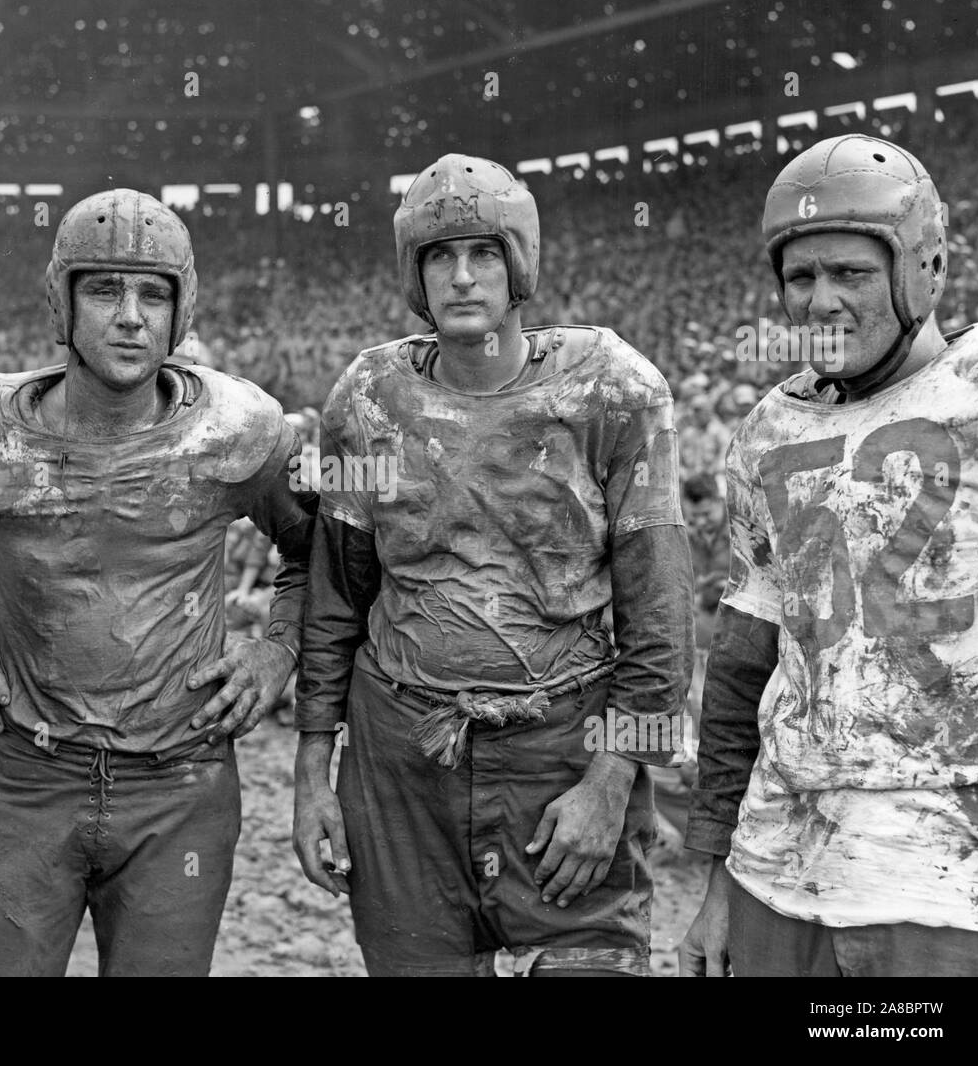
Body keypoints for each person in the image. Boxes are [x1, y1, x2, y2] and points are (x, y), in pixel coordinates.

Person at [292, 154, 694, 976]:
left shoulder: (610, 391)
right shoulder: (370, 399)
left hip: (565, 748)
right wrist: (311, 774)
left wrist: (613, 779)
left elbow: (661, 616)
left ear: (519, 264)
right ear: (415, 273)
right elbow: (336, 597)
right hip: (403, 754)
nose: (463, 277)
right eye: (440, 256)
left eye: (483, 253)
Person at [0, 188, 316, 977]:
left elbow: (322, 554)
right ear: (61, 302)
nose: (131, 315)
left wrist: (277, 649)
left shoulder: (240, 428)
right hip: (24, 777)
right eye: (104, 289)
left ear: (182, 308)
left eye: (154, 293)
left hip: (181, 787)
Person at [681, 134, 978, 977]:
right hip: (778, 870)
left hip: (946, 884)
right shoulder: (769, 426)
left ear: (920, 269)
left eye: (851, 273)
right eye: (801, 276)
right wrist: (714, 872)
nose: (820, 301)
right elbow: (744, 660)